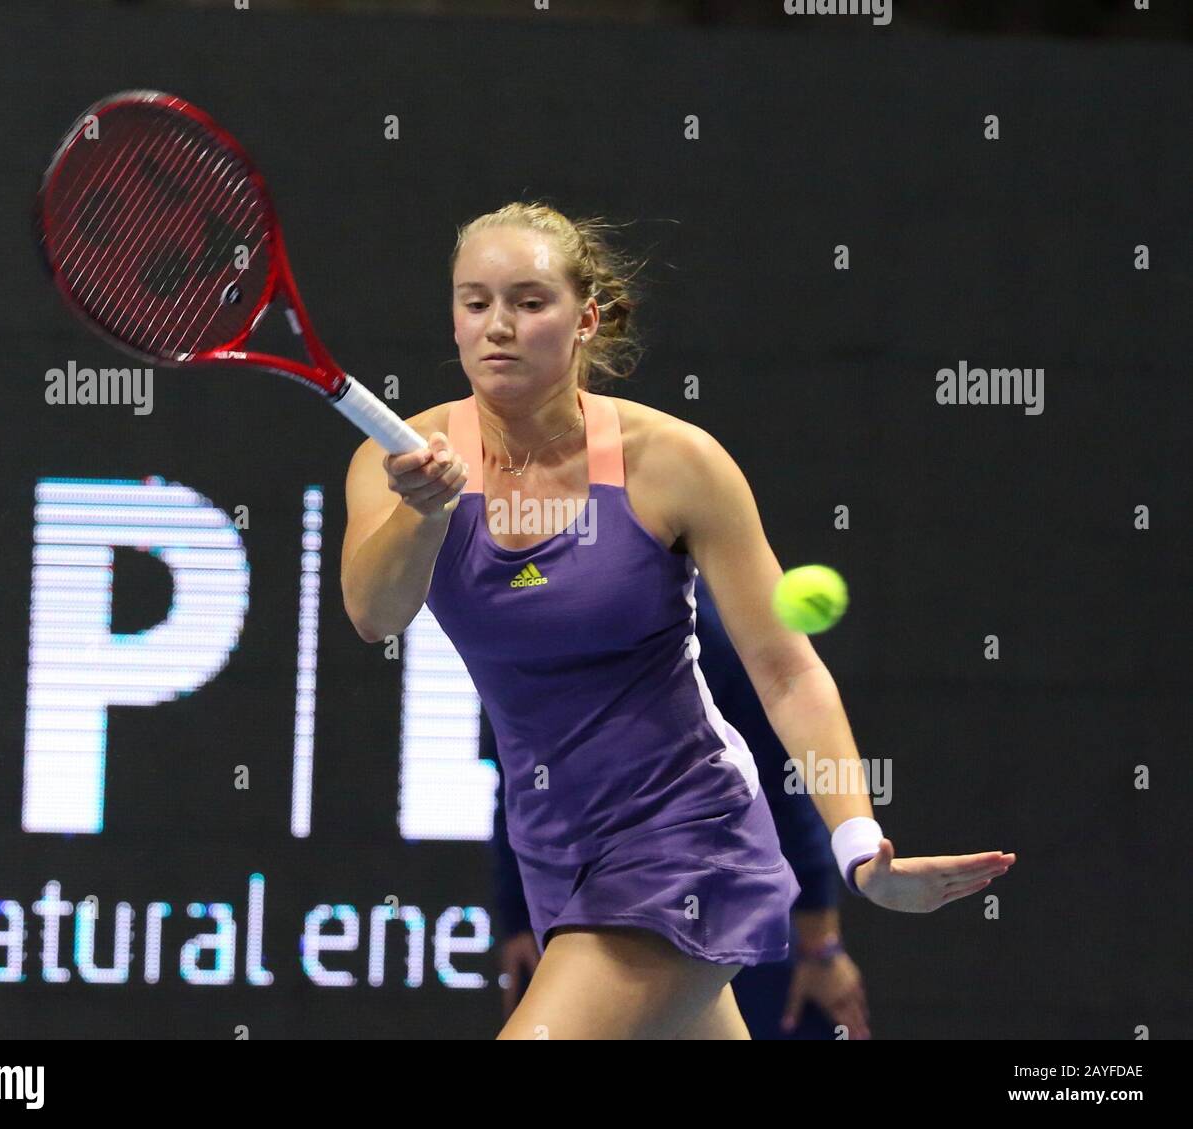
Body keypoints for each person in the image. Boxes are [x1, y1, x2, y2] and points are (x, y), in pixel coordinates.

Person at [341, 201, 1015, 1039]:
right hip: (554, 853)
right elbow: (374, 614)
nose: (498, 327)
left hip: (687, 834)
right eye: (474, 302)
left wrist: (857, 845)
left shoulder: (677, 463)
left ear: (584, 318)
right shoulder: (396, 459)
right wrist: (426, 512)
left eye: (529, 301)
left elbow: (786, 667)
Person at [486, 577, 868, 1039]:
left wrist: (820, 943)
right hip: (572, 897)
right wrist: (516, 916)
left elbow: (784, 768)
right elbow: (519, 771)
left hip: (689, 880)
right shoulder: (530, 616)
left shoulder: (703, 623)